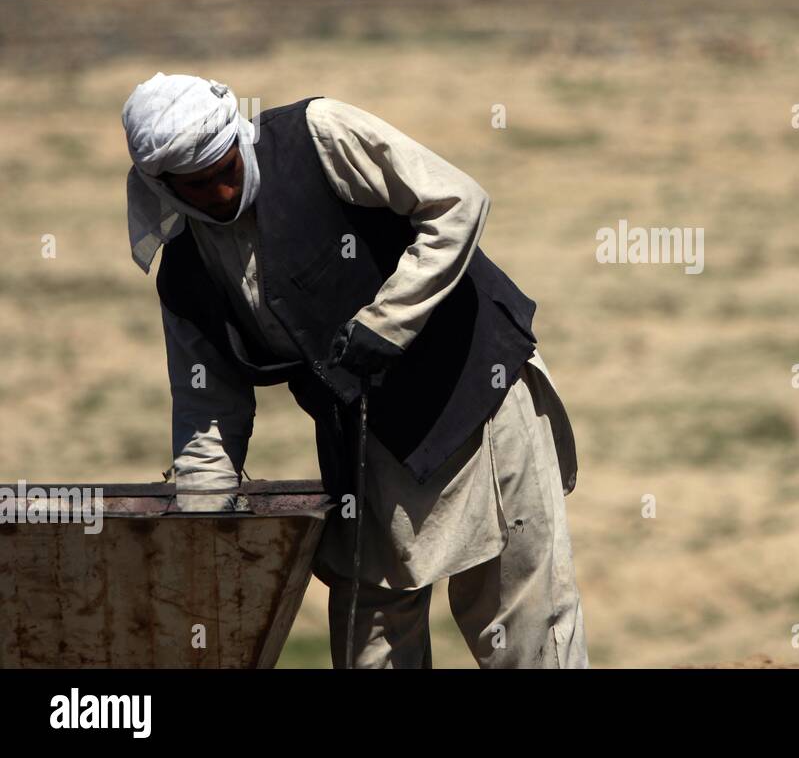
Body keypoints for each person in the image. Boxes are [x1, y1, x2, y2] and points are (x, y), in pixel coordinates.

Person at [121, 75, 587, 668]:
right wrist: (200, 520)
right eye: (197, 184)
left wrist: (389, 321)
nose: (219, 190)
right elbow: (207, 407)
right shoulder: (186, 272)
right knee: (369, 651)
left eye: (226, 168)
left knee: (526, 634)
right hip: (362, 449)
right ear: (161, 185)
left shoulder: (319, 137)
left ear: (237, 138)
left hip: (475, 403)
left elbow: (457, 202)